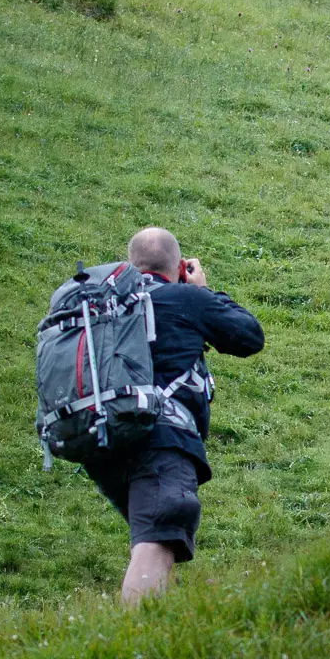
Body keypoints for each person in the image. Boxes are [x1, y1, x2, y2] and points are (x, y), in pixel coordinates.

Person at [83, 227, 264, 605]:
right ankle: (135, 644)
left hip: (102, 441)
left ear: (132, 264)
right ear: (181, 266)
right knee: (157, 541)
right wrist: (201, 291)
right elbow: (249, 336)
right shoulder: (185, 298)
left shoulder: (107, 304)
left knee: (157, 535)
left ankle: (161, 624)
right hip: (161, 440)